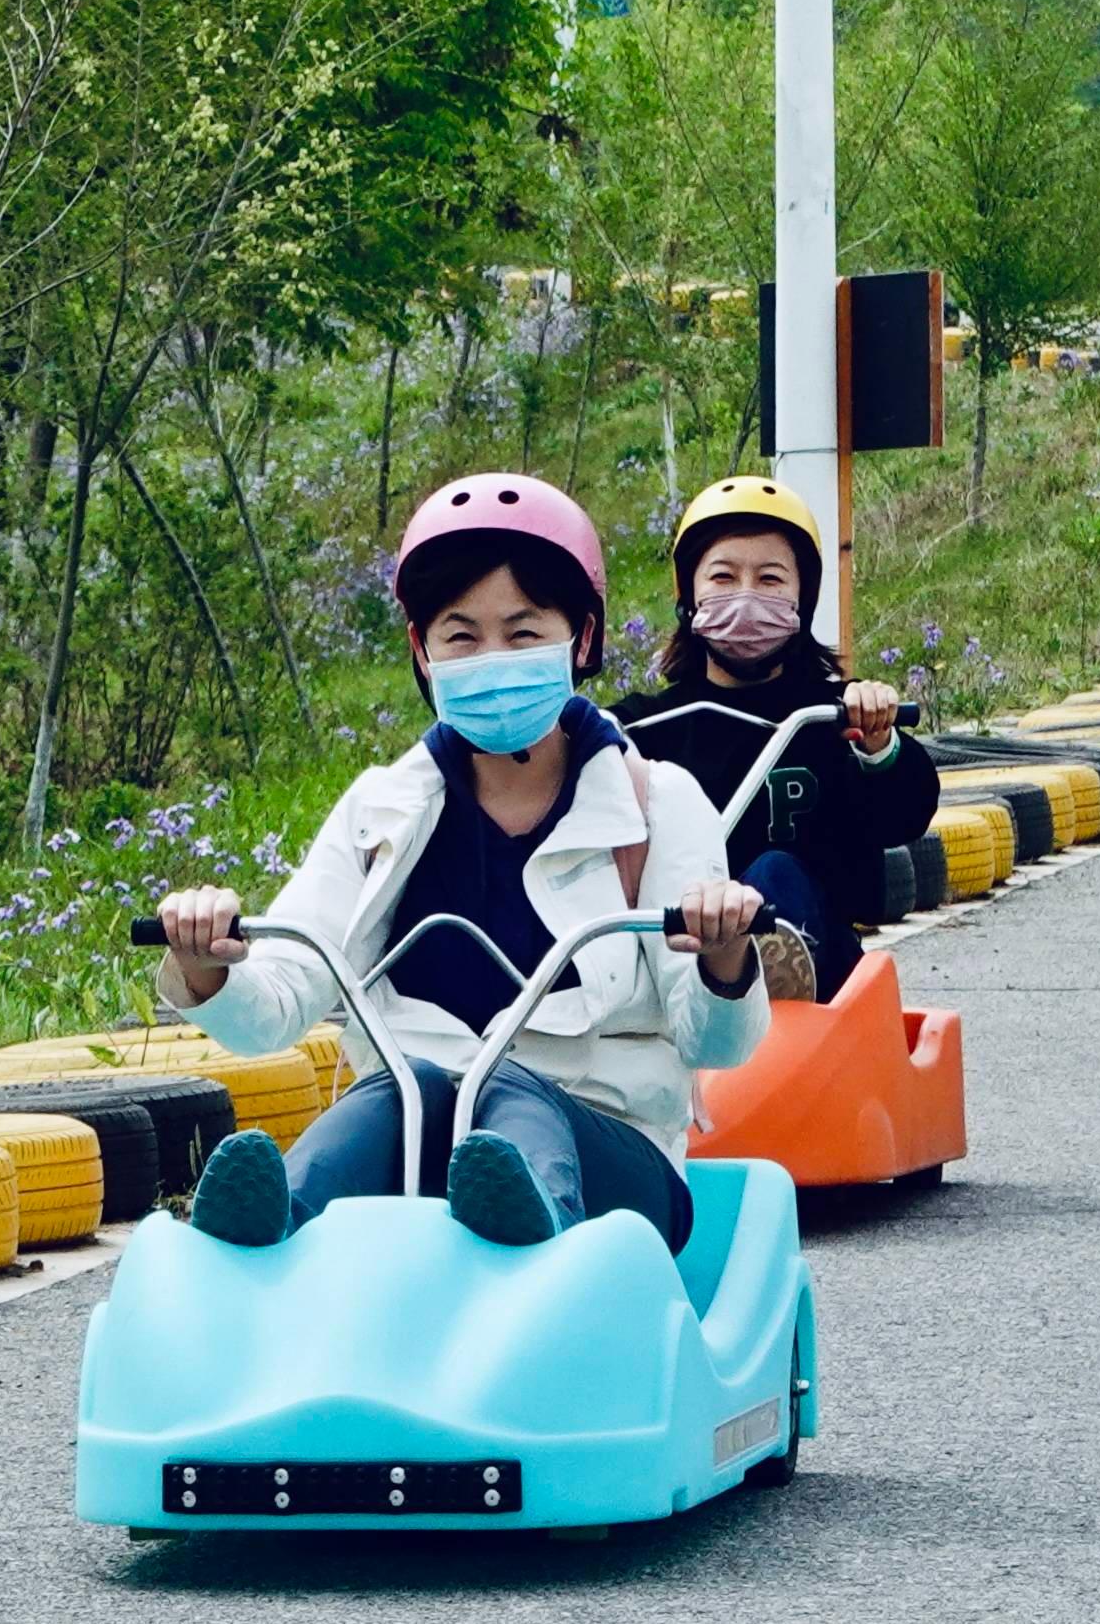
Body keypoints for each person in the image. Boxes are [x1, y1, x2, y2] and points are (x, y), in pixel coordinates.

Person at [152, 472, 769, 1250]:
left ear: (581, 639)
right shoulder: (382, 812)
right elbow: (278, 999)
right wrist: (205, 963)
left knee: (510, 1085)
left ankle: (531, 1226)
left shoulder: (657, 806)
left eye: (523, 633)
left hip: (612, 1163)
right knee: (396, 1091)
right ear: (423, 650)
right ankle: (273, 1230)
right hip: (423, 1144)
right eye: (462, 637)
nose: (493, 659)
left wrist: (721, 957)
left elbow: (716, 1045)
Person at [612, 474, 935, 1002]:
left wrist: (878, 741)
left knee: (773, 874)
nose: (745, 595)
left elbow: (904, 816)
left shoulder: (831, 717)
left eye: (769, 579)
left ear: (801, 600)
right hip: (679, 959)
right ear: (688, 596)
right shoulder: (648, 725)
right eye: (723, 577)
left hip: (821, 977)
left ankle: (767, 979)